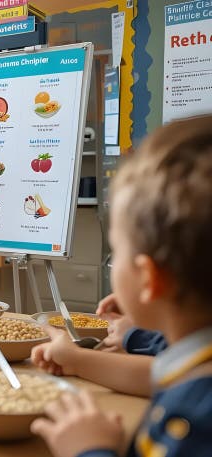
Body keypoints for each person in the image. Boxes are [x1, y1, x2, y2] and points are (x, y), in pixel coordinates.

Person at [31, 115, 212, 457]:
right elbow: (159, 371)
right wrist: (135, 334)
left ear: (148, 279)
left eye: (118, 249)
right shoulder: (194, 368)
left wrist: (91, 450)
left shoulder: (192, 418)